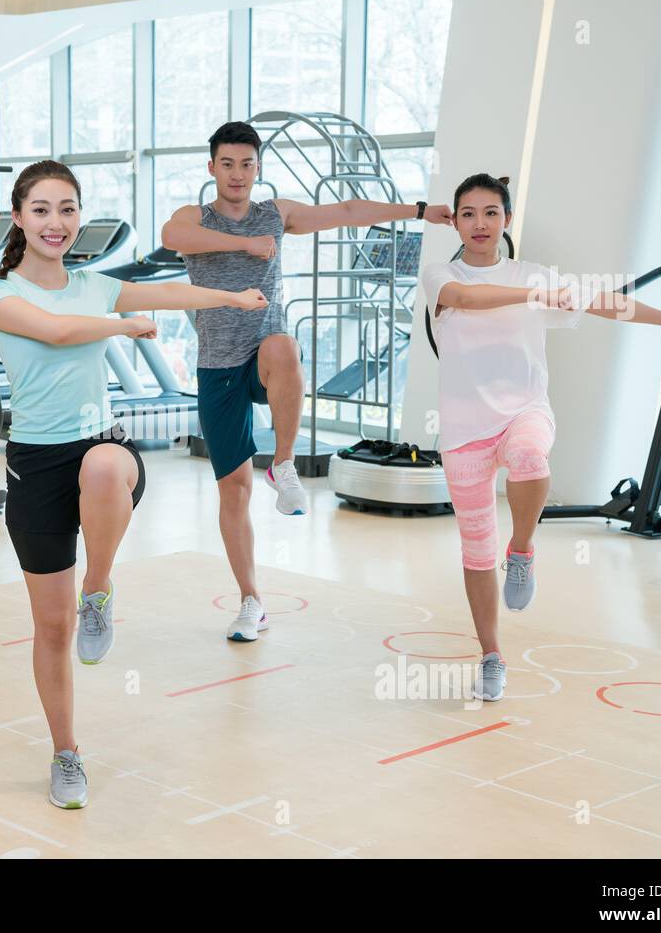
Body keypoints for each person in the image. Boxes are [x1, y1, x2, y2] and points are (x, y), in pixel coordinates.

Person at [0, 159, 266, 809]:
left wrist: (232, 299)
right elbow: (53, 330)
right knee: (50, 630)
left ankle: (98, 586)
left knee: (104, 465)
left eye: (68, 208)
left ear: (80, 218)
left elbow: (172, 294)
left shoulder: (96, 283)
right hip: (34, 465)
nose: (56, 222)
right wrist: (122, 327)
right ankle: (66, 753)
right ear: (19, 217)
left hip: (98, 443)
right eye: (42, 209)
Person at [420, 173, 661, 701]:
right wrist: (535, 294)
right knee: (476, 550)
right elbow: (465, 296)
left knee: (531, 457)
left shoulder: (533, 271)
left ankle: (525, 548)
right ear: (456, 221)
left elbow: (605, 301)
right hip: (464, 427)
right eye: (468, 213)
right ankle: (491, 654)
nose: (480, 223)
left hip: (523, 410)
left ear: (507, 219)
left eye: (491, 212)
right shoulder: (441, 273)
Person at [161, 120, 454, 642]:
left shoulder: (276, 212)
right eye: (227, 164)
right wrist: (247, 246)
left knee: (285, 346)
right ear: (212, 168)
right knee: (234, 492)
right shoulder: (196, 217)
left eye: (246, 164)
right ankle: (252, 601)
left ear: (257, 168)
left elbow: (345, 212)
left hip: (262, 353)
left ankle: (285, 463)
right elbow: (172, 236)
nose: (237, 173)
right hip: (217, 366)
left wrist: (416, 212)